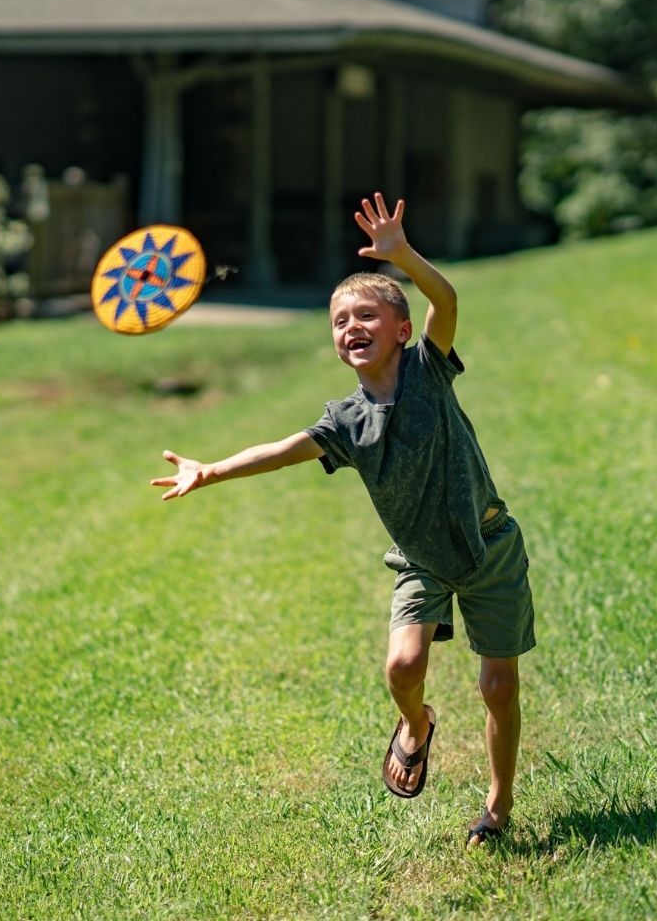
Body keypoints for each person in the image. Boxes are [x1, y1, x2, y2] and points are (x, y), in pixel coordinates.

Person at [151, 193, 535, 849]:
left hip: (489, 544)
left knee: (499, 686)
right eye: (339, 320)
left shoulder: (427, 373)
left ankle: (497, 806)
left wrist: (402, 255)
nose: (351, 326)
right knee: (402, 668)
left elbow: (447, 302)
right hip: (421, 559)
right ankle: (416, 726)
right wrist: (210, 469)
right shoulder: (344, 423)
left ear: (400, 331)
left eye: (366, 315)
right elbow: (281, 451)